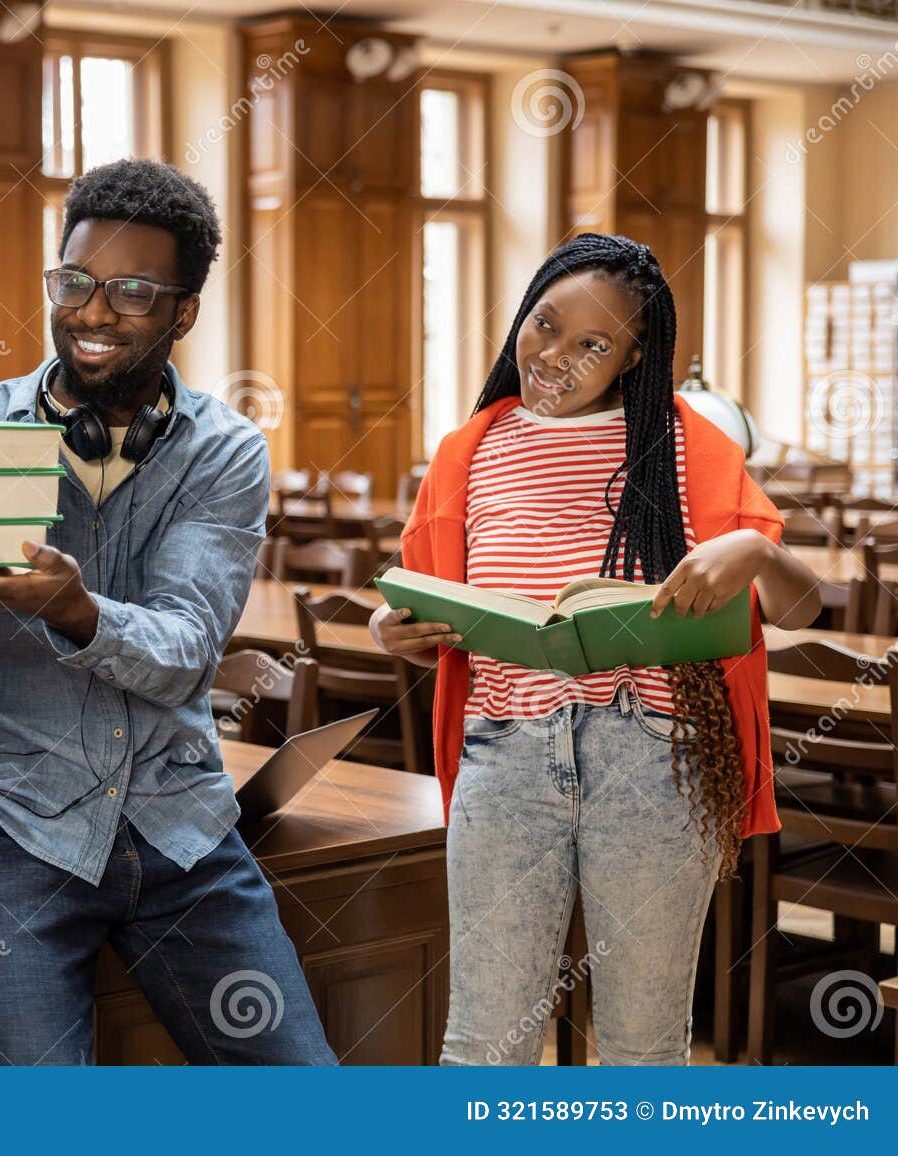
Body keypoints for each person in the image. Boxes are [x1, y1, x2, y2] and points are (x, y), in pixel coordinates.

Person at [0, 158, 334, 1065]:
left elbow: (185, 653)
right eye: (74, 283)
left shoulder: (224, 452)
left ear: (183, 311)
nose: (93, 312)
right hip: (5, 825)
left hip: (179, 826)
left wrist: (78, 613)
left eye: (132, 292)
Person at [371, 233, 821, 1065]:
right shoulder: (468, 452)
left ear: (633, 357)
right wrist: (390, 631)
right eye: (545, 324)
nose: (555, 357)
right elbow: (428, 611)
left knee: (642, 1050)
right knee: (481, 1045)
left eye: (593, 345)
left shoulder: (688, 447)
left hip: (655, 762)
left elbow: (804, 607)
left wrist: (758, 552)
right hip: (504, 759)